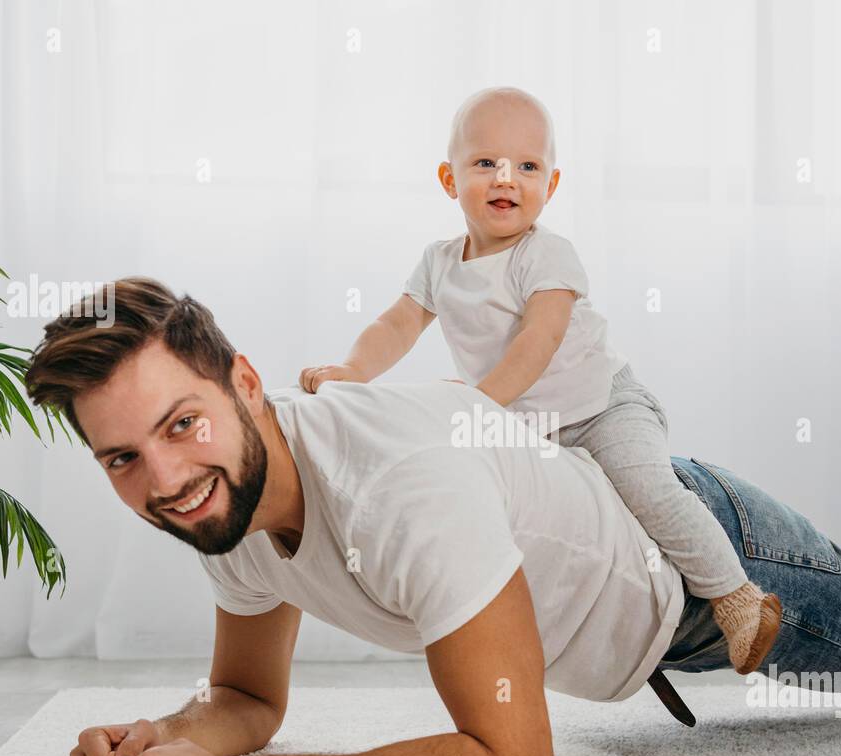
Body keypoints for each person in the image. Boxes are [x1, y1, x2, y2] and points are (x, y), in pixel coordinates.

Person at [24, 278, 841, 756]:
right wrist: (161, 738)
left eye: (181, 425)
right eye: (121, 458)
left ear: (247, 384)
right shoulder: (224, 503)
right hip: (656, 613)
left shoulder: (397, 480)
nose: (163, 480)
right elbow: (242, 692)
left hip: (715, 580)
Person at [298, 86, 780, 676]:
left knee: (644, 485)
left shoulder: (546, 255)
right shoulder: (439, 262)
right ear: (450, 180)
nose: (507, 178)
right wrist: (352, 371)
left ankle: (738, 599)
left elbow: (537, 344)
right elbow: (396, 325)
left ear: (550, 187)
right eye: (486, 164)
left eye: (527, 166)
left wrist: (477, 405)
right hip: (525, 420)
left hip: (601, 405)